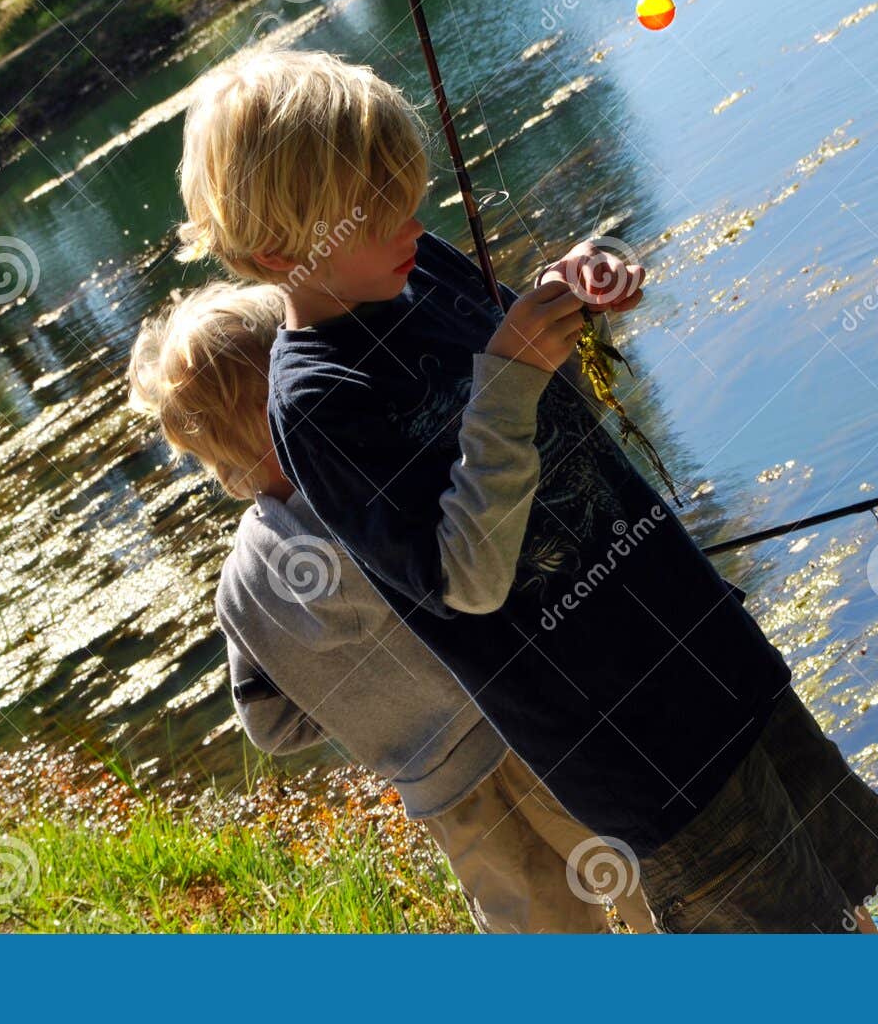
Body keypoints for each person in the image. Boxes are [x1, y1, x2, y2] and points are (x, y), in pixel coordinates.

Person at [172, 47, 878, 933]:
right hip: (634, 738)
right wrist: (510, 377)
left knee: (834, 897)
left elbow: (538, 388)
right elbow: (466, 579)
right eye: (377, 209)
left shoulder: (417, 265)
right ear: (280, 251)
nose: (412, 214)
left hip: (700, 643)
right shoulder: (318, 405)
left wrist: (571, 292)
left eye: (406, 187)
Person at [127, 278, 655, 933]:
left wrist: (366, 705)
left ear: (213, 456)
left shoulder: (241, 589)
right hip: (532, 727)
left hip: (450, 797)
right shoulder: (372, 494)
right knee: (646, 883)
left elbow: (272, 725)